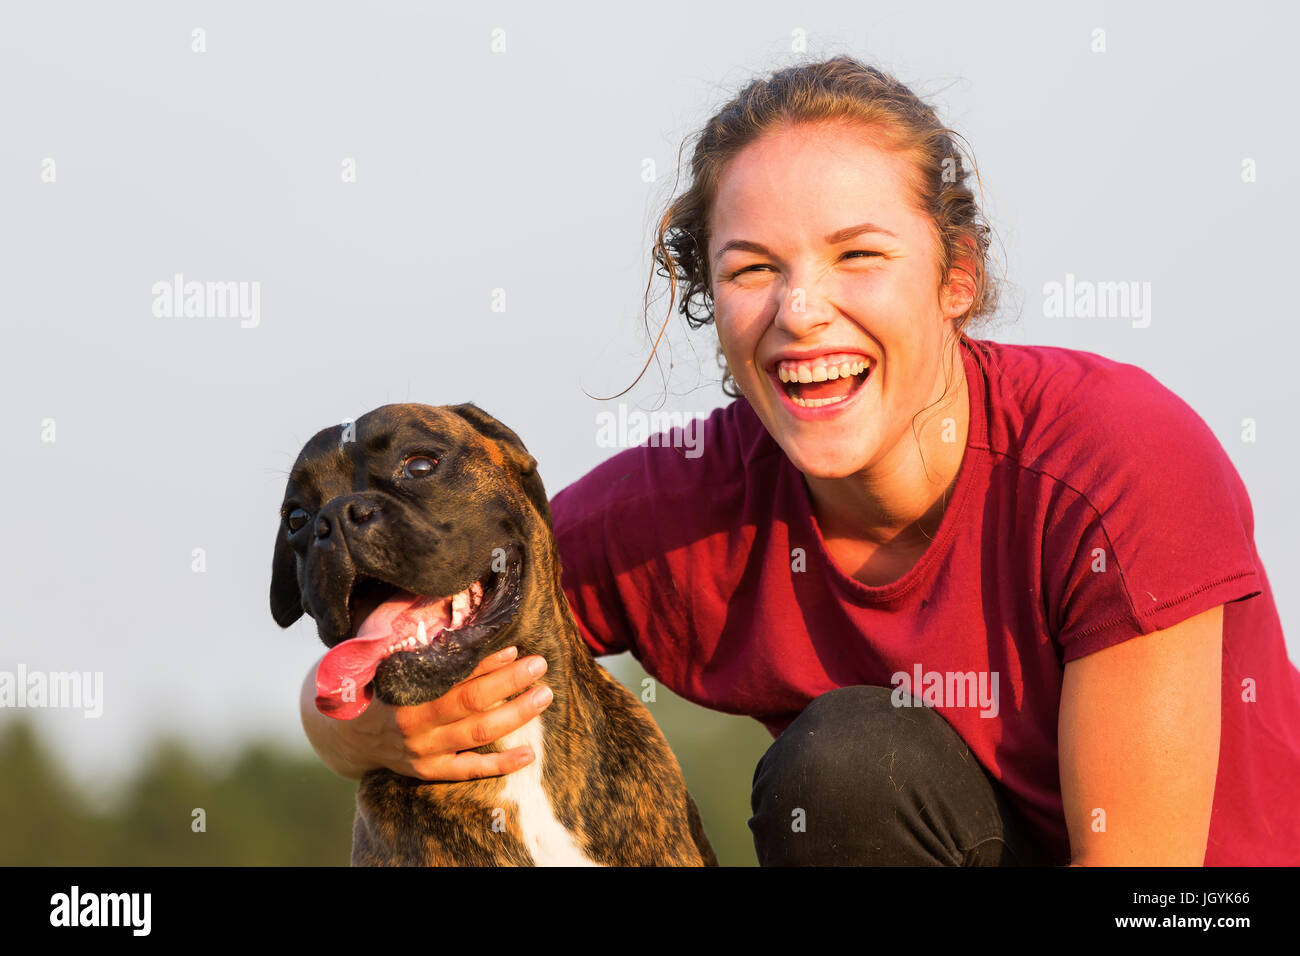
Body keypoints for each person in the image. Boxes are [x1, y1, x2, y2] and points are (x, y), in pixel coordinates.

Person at [299, 56, 1300, 866]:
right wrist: (357, 731)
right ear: (710, 299)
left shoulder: (1115, 458)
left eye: (857, 254)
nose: (800, 310)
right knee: (848, 771)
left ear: (955, 277)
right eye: (751, 269)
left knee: (849, 765)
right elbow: (435, 615)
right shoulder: (689, 501)